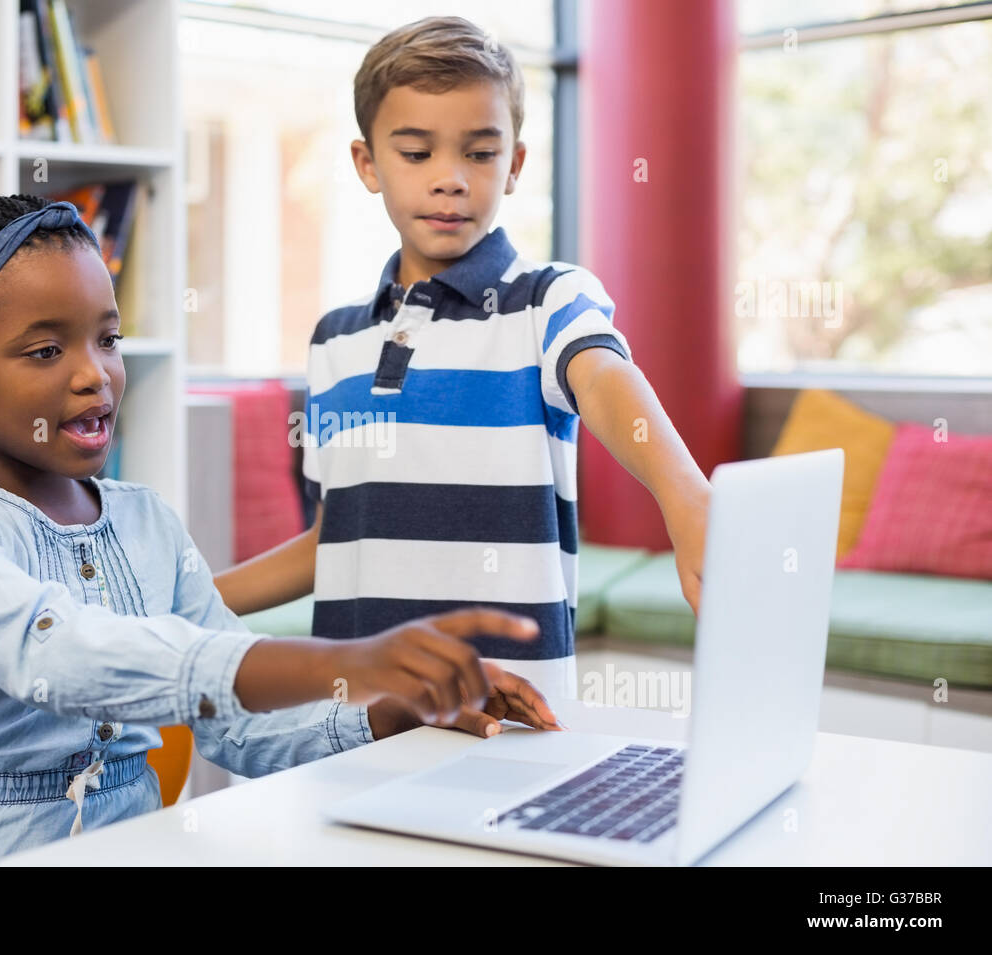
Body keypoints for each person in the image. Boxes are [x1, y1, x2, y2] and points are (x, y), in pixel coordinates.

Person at [0, 194, 560, 867]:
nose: (97, 375)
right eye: (47, 350)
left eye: (108, 339)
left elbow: (239, 725)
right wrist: (351, 657)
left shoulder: (145, 518)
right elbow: (64, 655)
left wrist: (391, 710)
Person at [214, 16, 712, 705]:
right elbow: (333, 537)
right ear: (368, 164)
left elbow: (602, 377)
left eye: (479, 154)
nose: (449, 180)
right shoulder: (334, 341)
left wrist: (685, 496)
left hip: (511, 718)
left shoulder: (545, 300)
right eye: (416, 153)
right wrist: (193, 603)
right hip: (355, 724)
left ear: (514, 166)